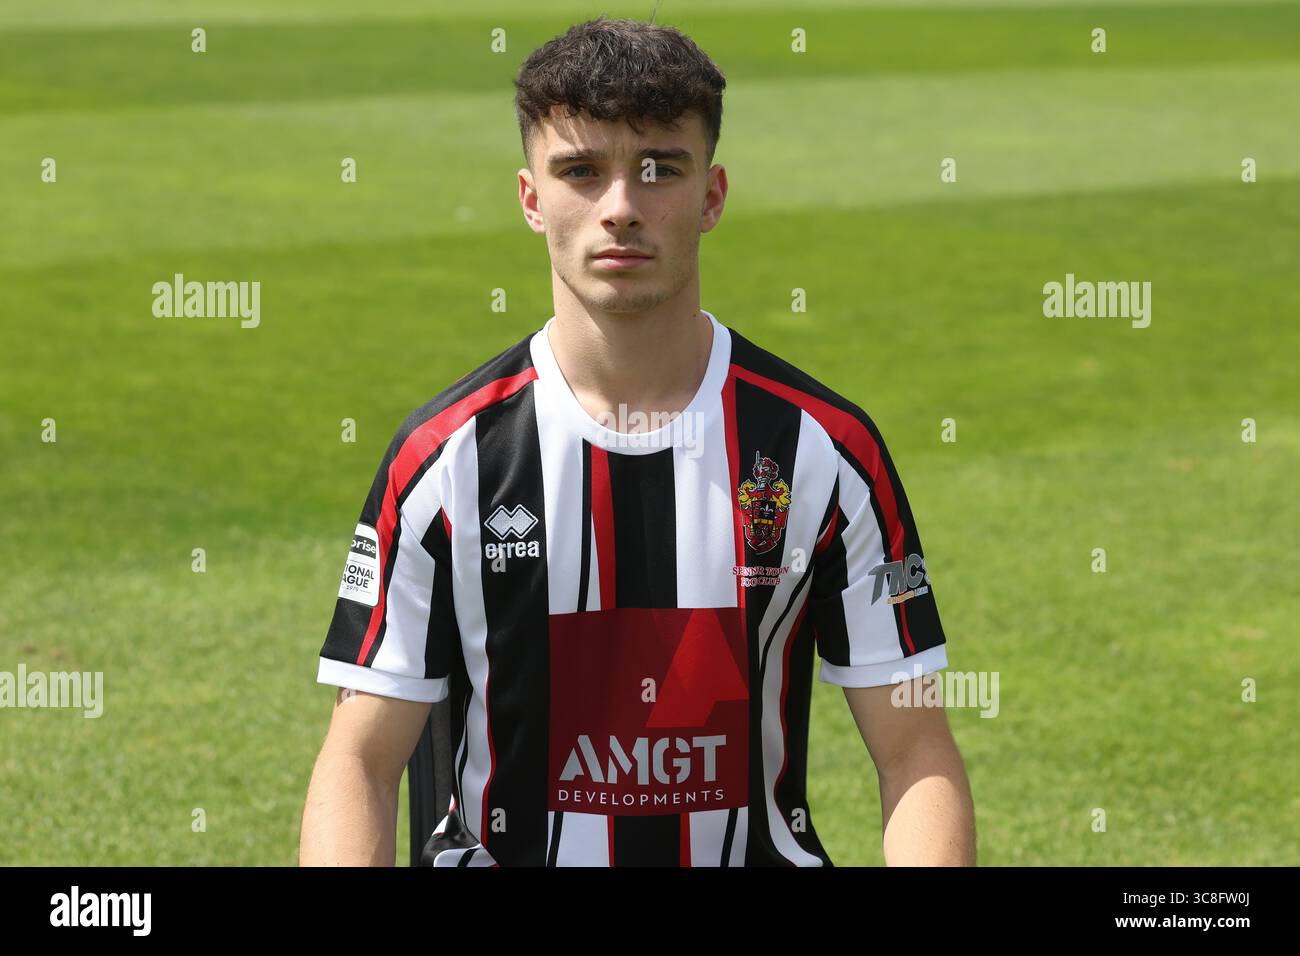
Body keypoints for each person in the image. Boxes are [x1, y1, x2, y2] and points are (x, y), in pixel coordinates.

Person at [300, 16, 975, 867]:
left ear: (713, 194)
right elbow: (360, 760)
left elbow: (914, 753)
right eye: (581, 171)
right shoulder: (447, 460)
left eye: (659, 169)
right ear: (530, 198)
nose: (620, 207)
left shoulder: (822, 449)